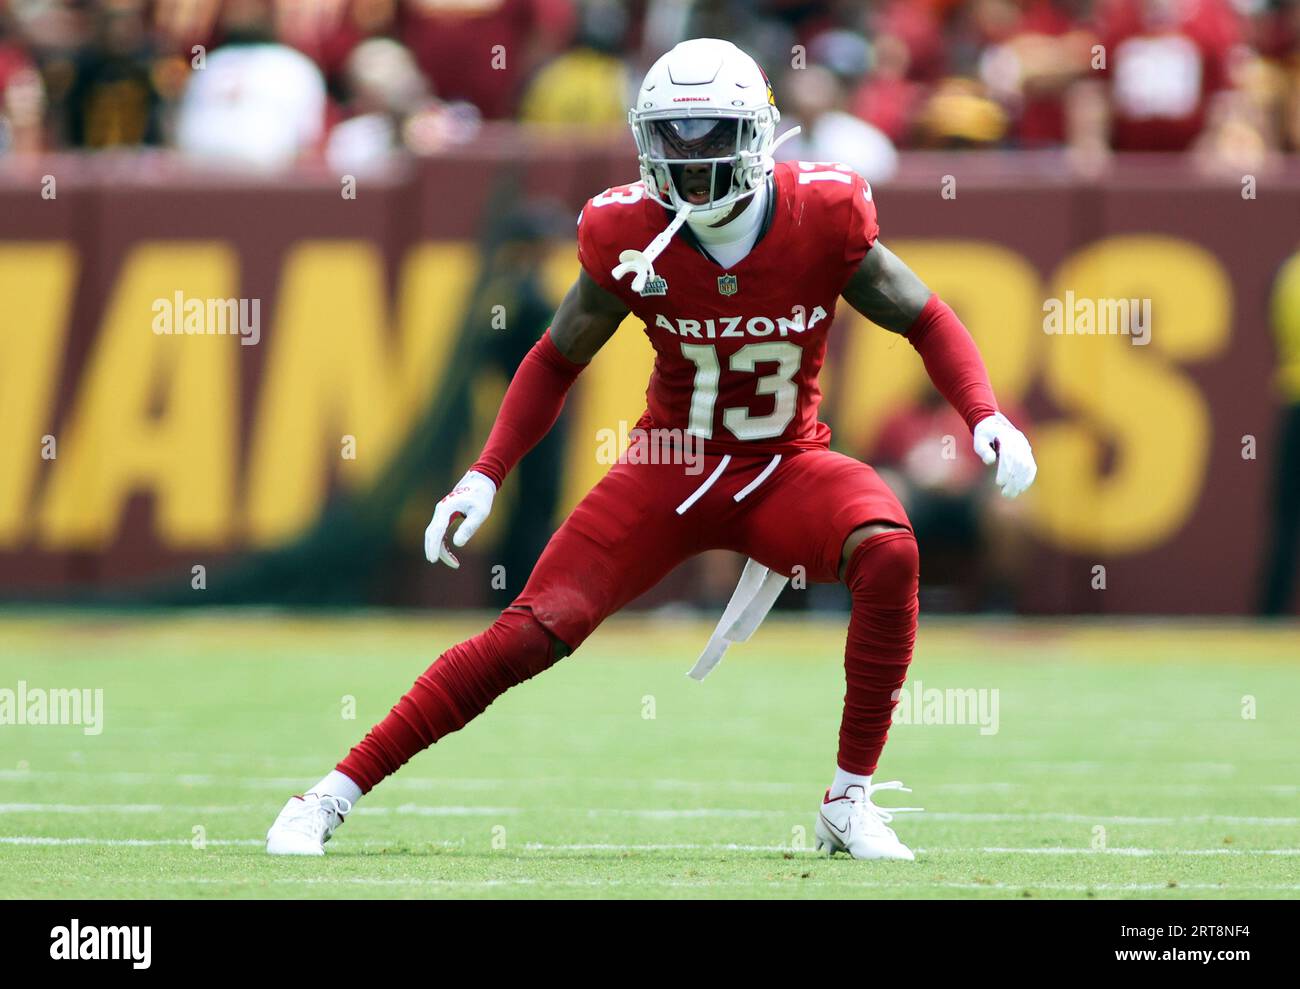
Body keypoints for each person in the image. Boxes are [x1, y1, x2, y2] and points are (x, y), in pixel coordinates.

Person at [266, 38, 1037, 862]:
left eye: (711, 134)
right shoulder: (628, 228)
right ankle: (329, 794)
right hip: (668, 465)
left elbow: (924, 315)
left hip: (786, 464)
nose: (690, 156)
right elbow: (556, 356)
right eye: (673, 135)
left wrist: (982, 413)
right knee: (535, 628)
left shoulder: (826, 211)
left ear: (759, 133)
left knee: (887, 549)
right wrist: (485, 473)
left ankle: (848, 799)